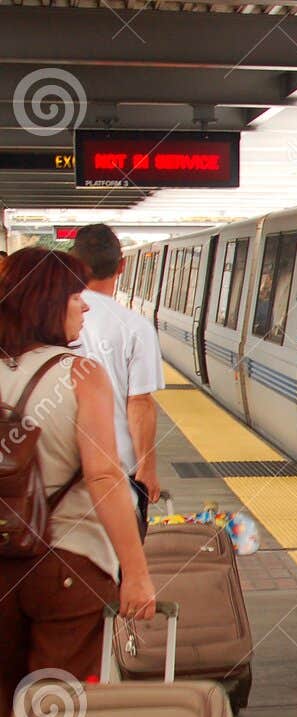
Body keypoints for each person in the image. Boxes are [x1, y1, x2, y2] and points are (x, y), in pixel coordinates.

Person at [0, 249, 157, 717]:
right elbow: (106, 478)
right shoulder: (80, 374)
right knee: (58, 716)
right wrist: (135, 572)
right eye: (74, 295)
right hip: (65, 565)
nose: (84, 307)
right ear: (49, 302)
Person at [72, 224, 164, 537]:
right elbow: (138, 402)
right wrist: (146, 467)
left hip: (62, 465)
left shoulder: (48, 317)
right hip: (118, 468)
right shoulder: (135, 326)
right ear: (122, 266)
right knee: (121, 564)